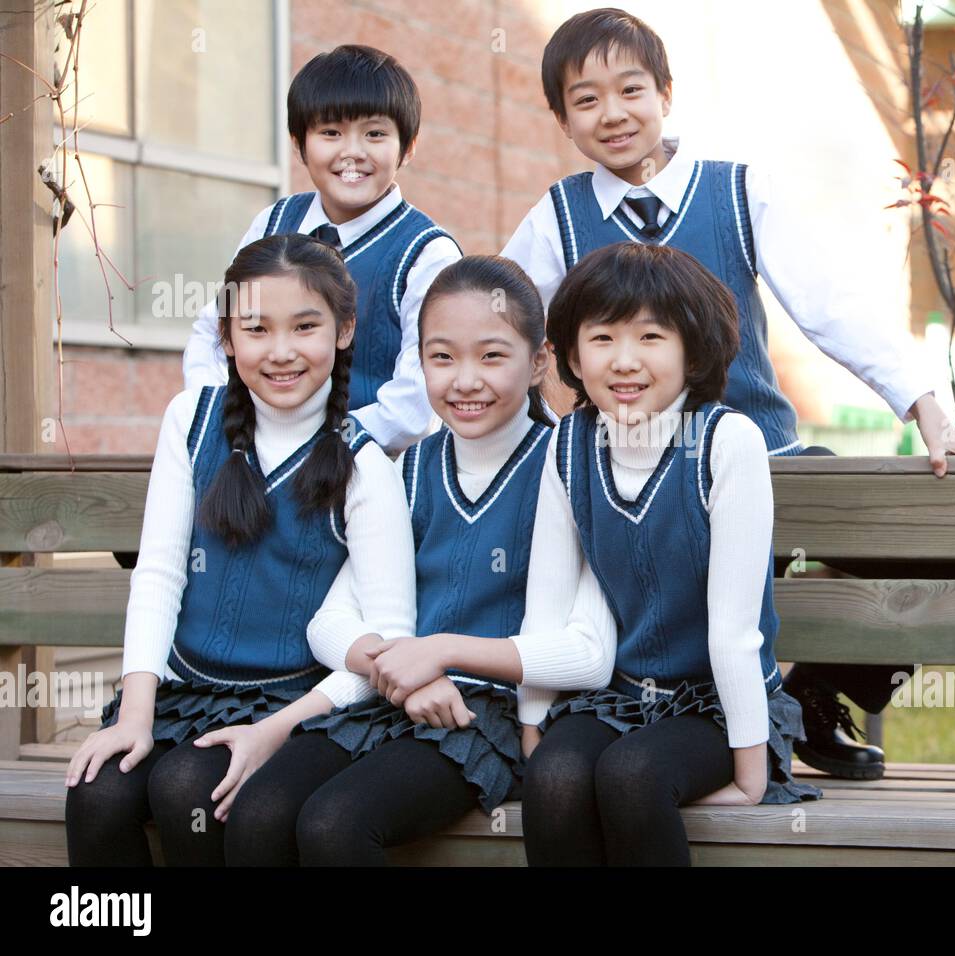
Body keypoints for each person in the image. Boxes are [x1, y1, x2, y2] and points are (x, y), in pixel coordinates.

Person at [502, 7, 955, 780]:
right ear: (562, 118)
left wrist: (924, 405)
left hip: (765, 465)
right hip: (632, 484)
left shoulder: (737, 193)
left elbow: (829, 304)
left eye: (630, 88)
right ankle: (659, 737)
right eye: (585, 99)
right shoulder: (557, 219)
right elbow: (500, 331)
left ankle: (809, 696)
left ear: (666, 93)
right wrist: (538, 431)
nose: (612, 113)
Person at [224, 255, 612, 865]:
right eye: (441, 357)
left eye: (491, 356)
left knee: (334, 825)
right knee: (258, 815)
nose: (464, 380)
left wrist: (439, 652)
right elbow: (329, 623)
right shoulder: (403, 471)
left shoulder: (568, 470)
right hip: (394, 701)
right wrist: (405, 668)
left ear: (539, 360)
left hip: (493, 719)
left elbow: (587, 652)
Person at [64, 234, 415, 866]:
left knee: (186, 792)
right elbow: (161, 572)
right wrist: (134, 713)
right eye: (256, 329)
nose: (281, 352)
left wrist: (276, 729)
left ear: (343, 331)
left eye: (305, 326)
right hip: (183, 691)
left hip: (297, 705)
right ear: (227, 339)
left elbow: (388, 641)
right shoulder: (190, 421)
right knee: (95, 794)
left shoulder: (363, 464)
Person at [520, 241, 820, 867]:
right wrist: (533, 726)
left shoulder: (724, 442)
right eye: (601, 338)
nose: (624, 361)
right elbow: (545, 605)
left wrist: (750, 772)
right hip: (621, 694)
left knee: (632, 777)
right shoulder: (568, 444)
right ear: (572, 354)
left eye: (650, 337)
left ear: (693, 348)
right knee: (553, 779)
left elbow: (736, 629)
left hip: (719, 705)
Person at [182, 44, 460, 457]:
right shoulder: (274, 223)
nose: (352, 152)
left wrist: (312, 444)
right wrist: (224, 418)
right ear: (299, 144)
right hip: (258, 464)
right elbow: (214, 330)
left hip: (369, 471)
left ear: (409, 145)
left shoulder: (426, 253)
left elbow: (414, 405)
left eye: (375, 133)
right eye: (330, 133)